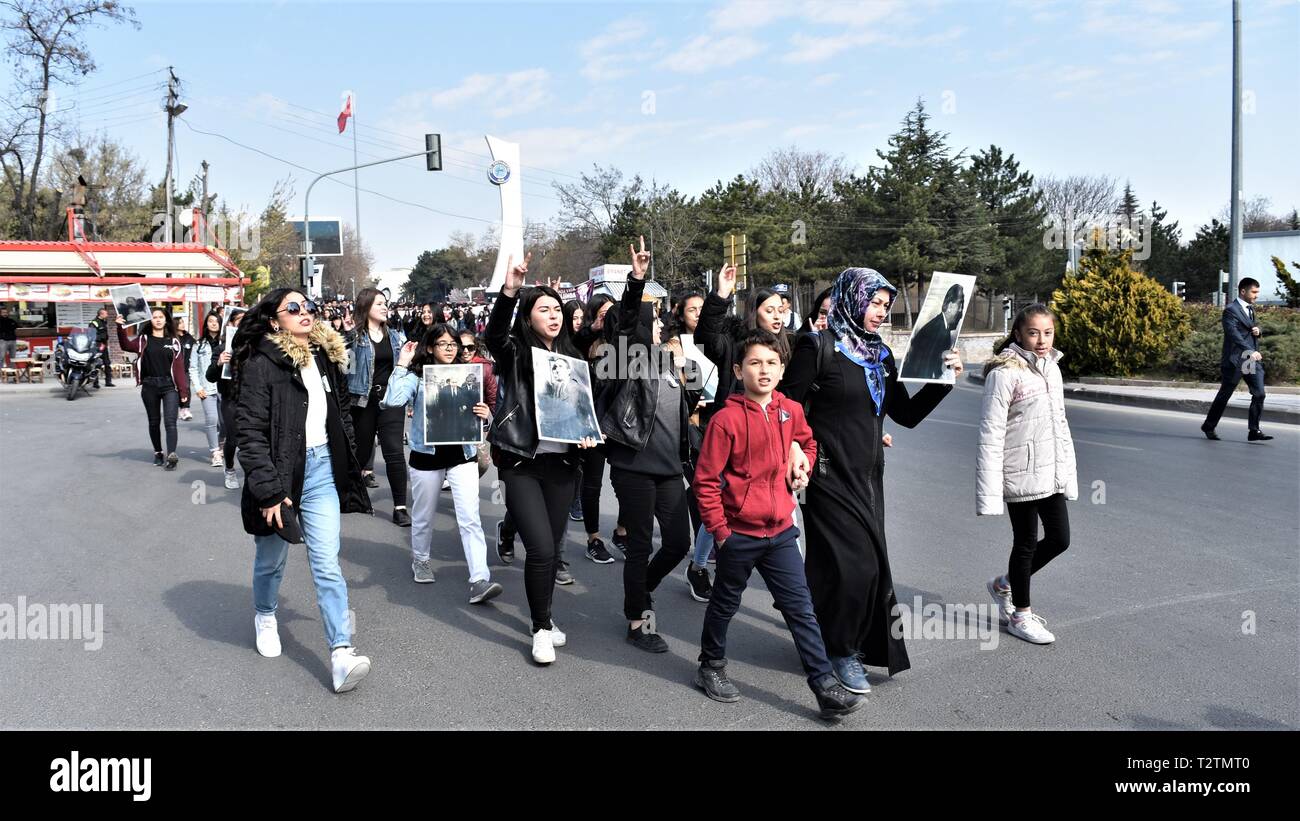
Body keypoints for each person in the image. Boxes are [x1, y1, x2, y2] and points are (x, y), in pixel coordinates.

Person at [781, 267, 963, 694]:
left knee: (862, 566)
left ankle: (827, 638)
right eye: (875, 302)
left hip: (866, 476)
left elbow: (906, 415)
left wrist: (944, 381)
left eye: (886, 305)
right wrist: (793, 449)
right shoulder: (817, 345)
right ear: (853, 298)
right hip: (823, 474)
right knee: (854, 566)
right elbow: (787, 405)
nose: (881, 312)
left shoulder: (880, 354)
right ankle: (843, 652)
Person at [692, 327, 863, 719]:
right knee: (724, 604)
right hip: (739, 534)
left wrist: (800, 461)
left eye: (771, 363)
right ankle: (710, 666)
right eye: (754, 363)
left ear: (782, 369)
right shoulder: (725, 420)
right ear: (738, 370)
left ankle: (824, 686)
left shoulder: (791, 410)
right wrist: (721, 533)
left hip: (782, 531)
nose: (763, 370)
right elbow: (705, 482)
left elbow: (809, 441)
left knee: (801, 608)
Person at [232, 288, 374, 693]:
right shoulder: (262, 364)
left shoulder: (327, 356)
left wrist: (351, 462)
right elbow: (250, 435)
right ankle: (265, 613)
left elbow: (341, 412)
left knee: (327, 562)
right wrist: (271, 492)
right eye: (292, 308)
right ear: (275, 320)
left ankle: (341, 653)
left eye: (307, 306)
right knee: (271, 560)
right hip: (281, 474)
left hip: (322, 470)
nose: (304, 312)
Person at [485, 251, 599, 665]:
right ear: (528, 316)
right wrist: (511, 290)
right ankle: (538, 630)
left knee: (552, 546)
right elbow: (494, 335)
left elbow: (581, 411)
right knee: (540, 549)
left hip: (562, 466)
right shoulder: (514, 352)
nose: (553, 316)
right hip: (521, 462)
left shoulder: (573, 358)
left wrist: (586, 436)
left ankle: (546, 619)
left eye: (557, 309)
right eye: (543, 309)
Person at [597, 237, 699, 652]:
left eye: (658, 319)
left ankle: (643, 588)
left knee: (678, 543)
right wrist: (636, 279)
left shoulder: (678, 363)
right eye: (651, 318)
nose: (657, 324)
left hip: (671, 470)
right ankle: (637, 621)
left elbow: (689, 407)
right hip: (634, 467)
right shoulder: (628, 360)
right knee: (640, 544)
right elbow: (626, 328)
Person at [977, 304, 1078, 644]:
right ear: (1018, 333)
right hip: (1018, 471)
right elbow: (990, 434)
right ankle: (1020, 615)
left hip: (1050, 472)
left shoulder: (1052, 368)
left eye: (1047, 332)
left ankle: (1004, 585)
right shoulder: (1003, 373)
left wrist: (1066, 471)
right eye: (1033, 332)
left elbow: (1059, 425)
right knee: (1024, 543)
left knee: (1059, 539)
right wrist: (989, 493)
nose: (1041, 340)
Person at [384, 326, 502, 603]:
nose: (450, 348)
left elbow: (483, 416)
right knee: (424, 515)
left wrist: (487, 415)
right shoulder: (417, 377)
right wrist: (402, 364)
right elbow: (393, 400)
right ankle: (421, 560)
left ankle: (479, 578)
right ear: (430, 348)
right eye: (442, 343)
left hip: (462, 455)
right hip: (427, 457)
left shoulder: (468, 375)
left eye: (453, 344)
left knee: (470, 517)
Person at [344, 288, 410, 526]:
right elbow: (345, 371)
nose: (384, 307)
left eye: (385, 303)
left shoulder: (396, 336)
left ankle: (400, 507)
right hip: (363, 402)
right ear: (366, 307)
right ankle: (348, 494)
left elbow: (404, 370)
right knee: (360, 453)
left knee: (394, 451)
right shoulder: (353, 337)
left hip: (391, 401)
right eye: (379, 303)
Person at [116, 307, 188, 470]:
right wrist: (120, 327)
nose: (158, 319)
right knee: (154, 422)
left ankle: (171, 455)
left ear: (166, 320)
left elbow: (179, 368)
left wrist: (183, 391)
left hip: (170, 386)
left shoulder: (174, 342)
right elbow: (125, 345)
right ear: (150, 320)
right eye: (154, 317)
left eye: (161, 317)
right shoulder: (143, 340)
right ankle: (158, 453)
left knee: (171, 422)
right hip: (150, 386)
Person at [1202, 277, 1272, 442]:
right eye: (1254, 292)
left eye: (1257, 292)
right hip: (1235, 360)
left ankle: (1253, 431)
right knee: (1225, 395)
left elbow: (1248, 329)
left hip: (1249, 361)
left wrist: (1258, 331)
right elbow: (1233, 334)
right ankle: (1208, 426)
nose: (1256, 295)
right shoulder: (1230, 310)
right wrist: (1249, 350)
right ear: (1243, 291)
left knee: (1259, 393)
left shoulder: (1250, 309)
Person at [208, 308, 246, 489]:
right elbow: (210, 376)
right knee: (233, 438)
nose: (242, 323)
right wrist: (218, 363)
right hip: (230, 398)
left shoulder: (256, 346)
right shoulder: (221, 348)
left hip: (253, 398)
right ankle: (229, 469)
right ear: (230, 324)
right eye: (238, 320)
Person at [900, 283, 966, 381]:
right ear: (950, 306)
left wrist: (950, 374)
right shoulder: (938, 330)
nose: (961, 312)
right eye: (960, 306)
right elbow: (925, 370)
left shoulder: (942, 326)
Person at [189, 309, 226, 467]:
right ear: (206, 324)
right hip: (207, 388)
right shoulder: (199, 345)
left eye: (216, 321)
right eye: (210, 321)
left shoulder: (226, 343)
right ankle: (215, 452)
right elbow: (193, 368)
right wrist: (197, 387)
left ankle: (222, 445)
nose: (213, 324)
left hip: (225, 387)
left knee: (225, 422)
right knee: (212, 420)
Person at [175, 317, 197, 420]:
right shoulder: (173, 338)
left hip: (187, 369)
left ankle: (186, 409)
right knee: (177, 389)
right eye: (179, 323)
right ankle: (180, 408)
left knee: (187, 388)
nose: (182, 324)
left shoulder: (189, 337)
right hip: (175, 369)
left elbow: (196, 347)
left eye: (183, 322)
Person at [88, 307, 115, 386]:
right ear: (101, 314)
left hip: (103, 345)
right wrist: (100, 338)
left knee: (107, 363)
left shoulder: (104, 322)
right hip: (96, 345)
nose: (107, 314)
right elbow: (91, 334)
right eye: (106, 313)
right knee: (96, 363)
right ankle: (95, 383)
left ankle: (108, 382)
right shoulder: (94, 322)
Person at [0, 304, 18, 369]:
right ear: (0, 313)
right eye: (3, 313)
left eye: (6, 312)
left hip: (13, 340)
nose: (5, 314)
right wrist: (9, 328)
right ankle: (1, 372)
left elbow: (16, 326)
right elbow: (4, 329)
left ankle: (12, 372)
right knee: (1, 357)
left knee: (13, 358)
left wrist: (8, 328)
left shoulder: (11, 320)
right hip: (3, 341)